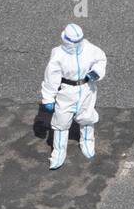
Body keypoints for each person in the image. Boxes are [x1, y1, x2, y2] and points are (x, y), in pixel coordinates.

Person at [40, 23, 107, 170]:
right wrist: (48, 98)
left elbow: (101, 60)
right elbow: (51, 77)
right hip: (67, 91)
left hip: (87, 88)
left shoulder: (90, 49)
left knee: (87, 117)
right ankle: (58, 153)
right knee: (61, 122)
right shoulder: (58, 54)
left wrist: (95, 72)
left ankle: (87, 142)